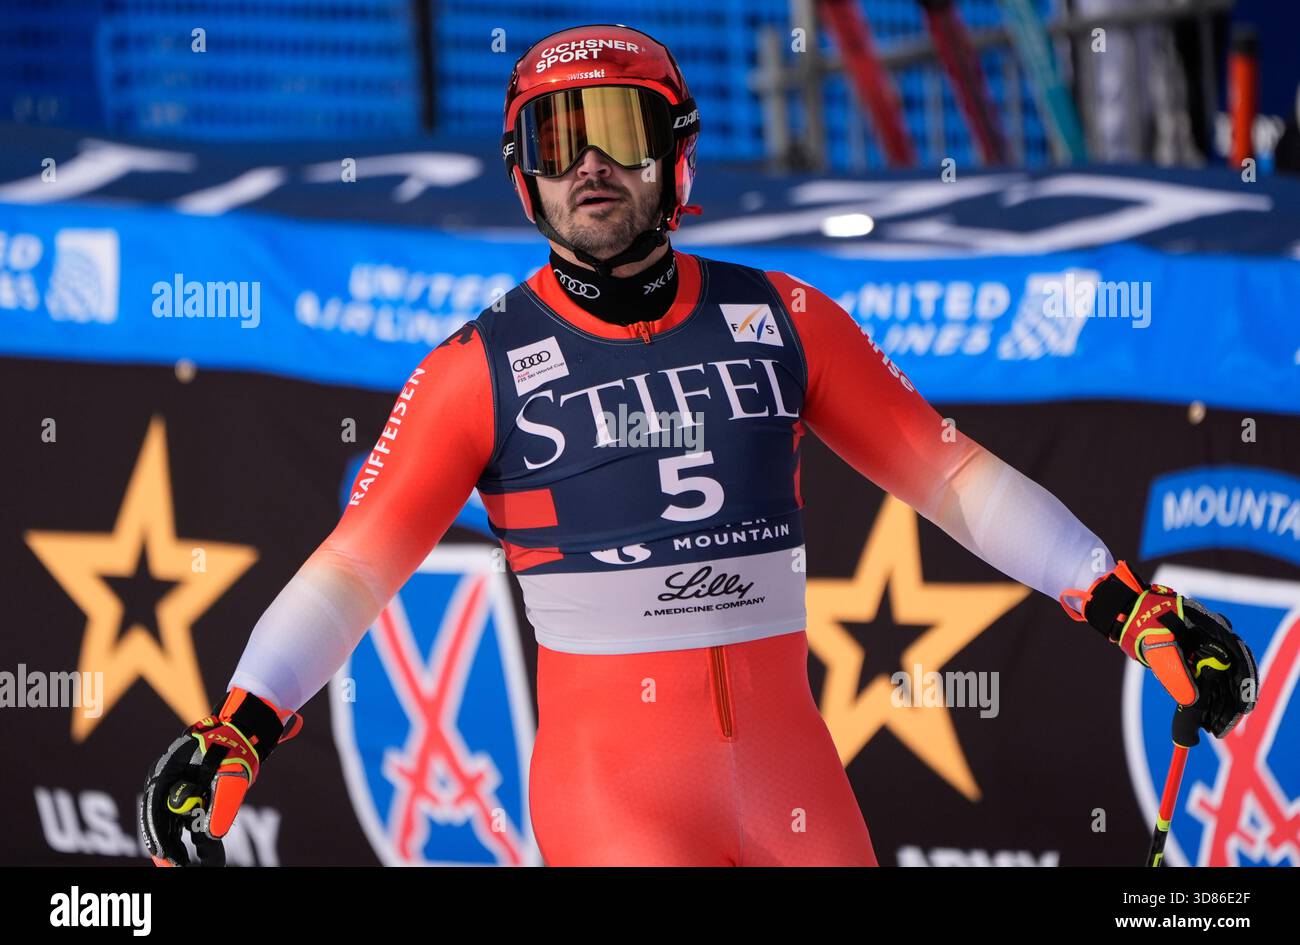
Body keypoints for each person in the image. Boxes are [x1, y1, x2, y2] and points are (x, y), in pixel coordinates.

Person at [140, 23, 1257, 867]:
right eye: (554, 136)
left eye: (616, 132)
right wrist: (238, 726)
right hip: (612, 798)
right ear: (523, 171)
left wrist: (1129, 606)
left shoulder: (783, 316)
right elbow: (350, 571)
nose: (587, 165)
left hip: (791, 780)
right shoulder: (470, 371)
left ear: (674, 157)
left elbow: (950, 476)